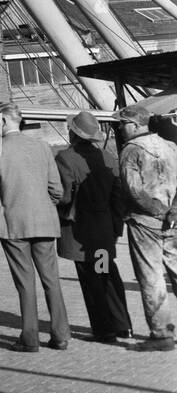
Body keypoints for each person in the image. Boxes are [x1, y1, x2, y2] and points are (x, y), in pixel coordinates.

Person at [0, 102, 70, 352]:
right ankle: (60, 335)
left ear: (4, 121)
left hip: (13, 224)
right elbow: (57, 190)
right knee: (51, 278)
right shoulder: (43, 147)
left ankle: (30, 338)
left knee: (25, 281)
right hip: (44, 221)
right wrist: (43, 207)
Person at [53, 110, 132, 344]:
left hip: (81, 232)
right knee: (106, 274)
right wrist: (115, 226)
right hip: (104, 229)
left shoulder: (65, 158)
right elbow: (118, 197)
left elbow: (64, 197)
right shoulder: (108, 157)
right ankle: (122, 325)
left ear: (73, 133)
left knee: (92, 280)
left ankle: (103, 330)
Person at [117, 106, 177, 352]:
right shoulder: (171, 146)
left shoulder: (130, 151)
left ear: (134, 124)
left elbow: (133, 190)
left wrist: (156, 211)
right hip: (174, 221)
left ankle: (162, 335)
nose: (120, 128)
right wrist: (172, 211)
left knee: (152, 278)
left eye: (122, 124)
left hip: (145, 222)